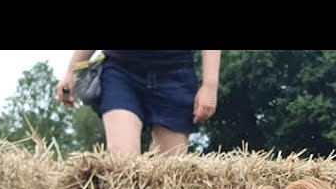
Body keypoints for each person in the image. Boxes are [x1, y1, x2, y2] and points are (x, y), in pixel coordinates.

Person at [56, 50, 219, 157]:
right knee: (122, 163)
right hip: (120, 71)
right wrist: (71, 71)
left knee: (170, 172)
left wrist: (210, 85)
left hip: (175, 73)